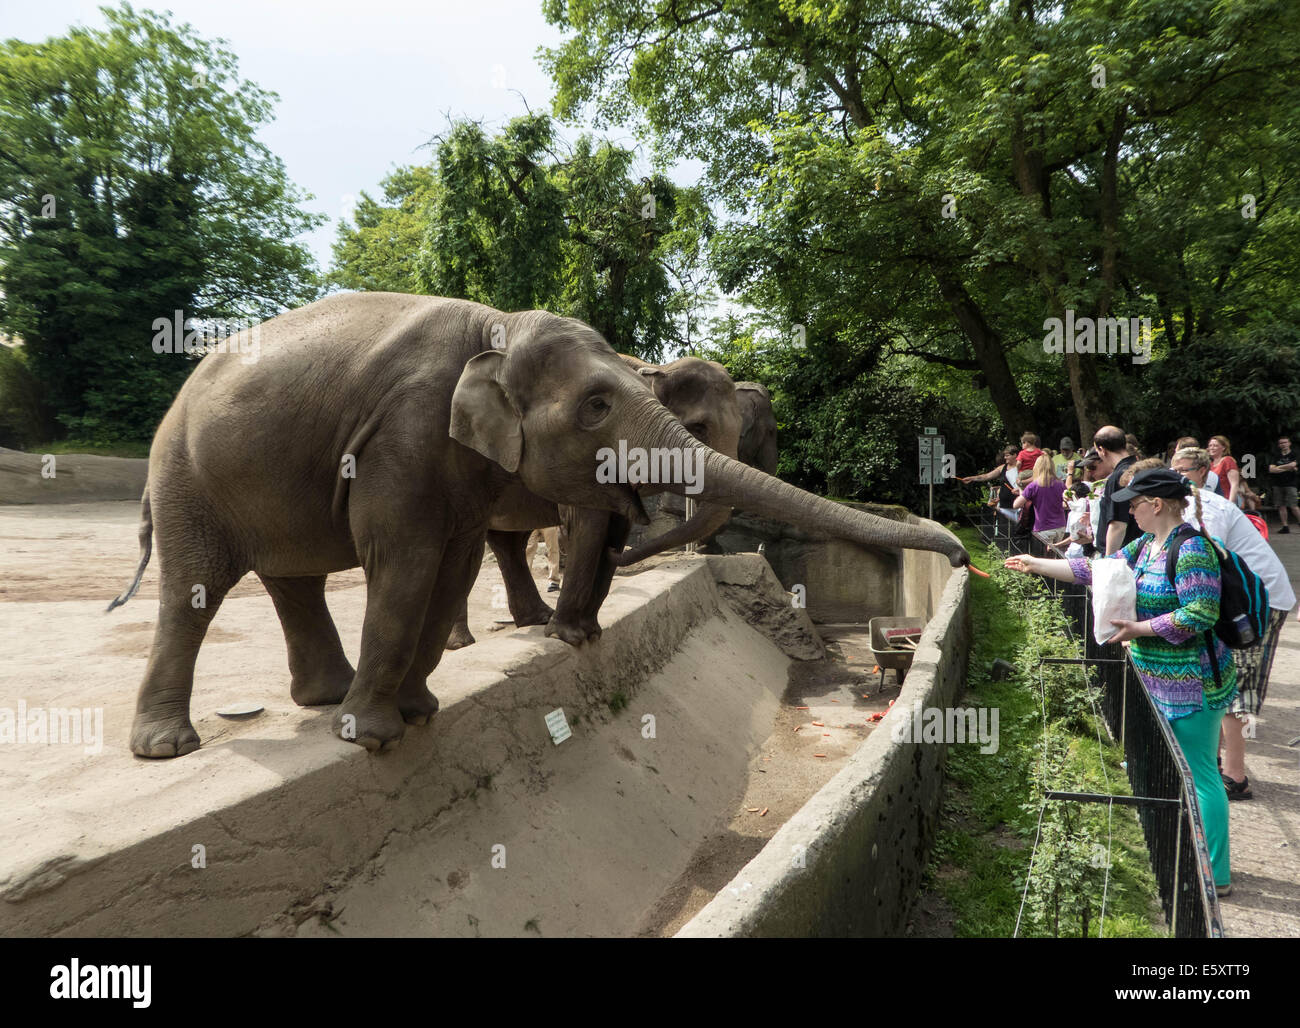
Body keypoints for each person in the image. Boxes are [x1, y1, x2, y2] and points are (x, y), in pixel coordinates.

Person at [1003, 467, 1236, 895]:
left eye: (1135, 503)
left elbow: (1200, 613)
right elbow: (1099, 571)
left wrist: (1138, 630)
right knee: (1176, 772)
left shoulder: (1192, 550)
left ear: (1157, 505)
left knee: (1200, 775)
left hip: (1194, 683)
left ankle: (1215, 875)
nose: (1129, 509)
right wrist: (1035, 563)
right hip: (1158, 678)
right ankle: (1184, 851)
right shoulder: (1147, 544)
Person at [1172, 447, 1296, 800]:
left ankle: (1235, 778)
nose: (1179, 476)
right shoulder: (1192, 504)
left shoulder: (1204, 507)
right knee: (1218, 678)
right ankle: (1212, 763)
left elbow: (1205, 559)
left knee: (1237, 687)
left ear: (1200, 472)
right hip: (1238, 598)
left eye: (1183, 470)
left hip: (1259, 602)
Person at [1093, 425, 1140, 554]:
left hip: (1123, 553)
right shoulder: (1138, 467)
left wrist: (1109, 561)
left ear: (1102, 450)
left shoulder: (1119, 476)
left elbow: (1118, 525)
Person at [961, 447, 1020, 523]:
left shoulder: (1022, 467)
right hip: (1003, 506)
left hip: (1018, 504)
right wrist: (971, 478)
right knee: (1004, 529)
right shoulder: (1002, 468)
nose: (1005, 457)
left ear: (1015, 455)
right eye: (1005, 455)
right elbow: (986, 476)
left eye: (1007, 455)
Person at [1015, 453, 1067, 537]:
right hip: (1060, 526)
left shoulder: (1033, 486)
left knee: (1043, 550)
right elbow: (1067, 503)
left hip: (1043, 527)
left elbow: (1016, 505)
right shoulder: (1060, 484)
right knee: (1057, 550)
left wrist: (1021, 489)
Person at [1268, 435, 1300, 533]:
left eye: (1285, 442)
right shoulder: (1276, 456)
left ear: (1289, 443)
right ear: (1279, 445)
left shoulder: (1295, 454)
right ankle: (1285, 526)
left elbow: (1294, 465)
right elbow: (1271, 469)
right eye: (1281, 443)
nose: (1283, 444)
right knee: (1281, 505)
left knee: (1293, 505)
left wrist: (1278, 468)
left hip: (1291, 483)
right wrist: (1288, 467)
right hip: (1277, 483)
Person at [526, 526, 562, 592]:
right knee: (528, 549)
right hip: (532, 521)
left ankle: (553, 581)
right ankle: (524, 577)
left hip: (548, 521)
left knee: (552, 549)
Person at [1207, 435, 1240, 505]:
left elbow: (1234, 484)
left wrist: (1231, 504)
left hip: (1226, 500)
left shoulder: (1228, 461)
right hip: (1214, 501)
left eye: (1215, 446)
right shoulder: (1210, 465)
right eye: (1210, 446)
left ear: (1223, 448)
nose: (1211, 448)